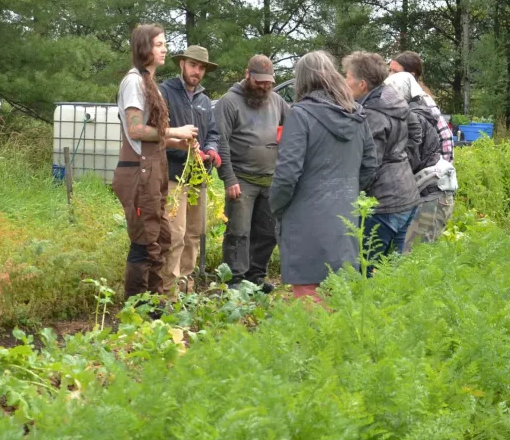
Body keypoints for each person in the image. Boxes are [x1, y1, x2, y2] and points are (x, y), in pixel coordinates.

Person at [271, 51, 378, 301]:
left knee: (309, 297)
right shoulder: (356, 114)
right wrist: (348, 193)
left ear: (301, 81)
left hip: (306, 222)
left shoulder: (300, 115)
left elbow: (287, 175)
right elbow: (370, 165)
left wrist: (276, 206)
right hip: (347, 222)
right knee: (339, 299)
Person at [112, 25, 198, 307]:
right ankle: (136, 309)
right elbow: (136, 131)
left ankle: (155, 304)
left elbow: (152, 136)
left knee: (160, 239)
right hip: (138, 172)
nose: (164, 49)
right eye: (159, 44)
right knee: (144, 241)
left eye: (164, 43)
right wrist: (175, 132)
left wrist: (177, 144)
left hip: (154, 169)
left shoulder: (150, 84)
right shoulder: (134, 82)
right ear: (144, 48)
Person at [215, 54, 288, 289]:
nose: (264, 86)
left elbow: (295, 126)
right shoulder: (229, 102)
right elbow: (221, 142)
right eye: (259, 82)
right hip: (241, 179)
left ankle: (255, 276)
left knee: (267, 232)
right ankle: (234, 279)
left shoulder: (276, 101)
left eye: (268, 82)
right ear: (248, 75)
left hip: (270, 178)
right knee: (239, 232)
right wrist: (228, 178)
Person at [342, 51, 421, 270]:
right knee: (390, 273)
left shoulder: (373, 114)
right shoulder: (393, 99)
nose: (344, 82)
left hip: (384, 203)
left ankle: (361, 304)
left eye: (347, 77)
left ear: (362, 84)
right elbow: (416, 132)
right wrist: (402, 159)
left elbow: (370, 164)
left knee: (363, 269)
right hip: (407, 195)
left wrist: (351, 193)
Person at [158, 45, 221, 295]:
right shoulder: (165, 93)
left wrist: (212, 150)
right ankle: (168, 292)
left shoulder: (205, 100)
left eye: (202, 67)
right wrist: (185, 149)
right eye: (193, 65)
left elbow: (213, 133)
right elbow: (158, 136)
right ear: (181, 64)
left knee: (194, 234)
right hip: (173, 174)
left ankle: (186, 289)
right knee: (175, 234)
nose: (198, 71)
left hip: (199, 177)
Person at [385, 70, 457, 251]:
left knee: (415, 259)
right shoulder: (421, 112)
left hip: (432, 196)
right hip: (433, 193)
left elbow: (410, 161)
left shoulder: (415, 118)